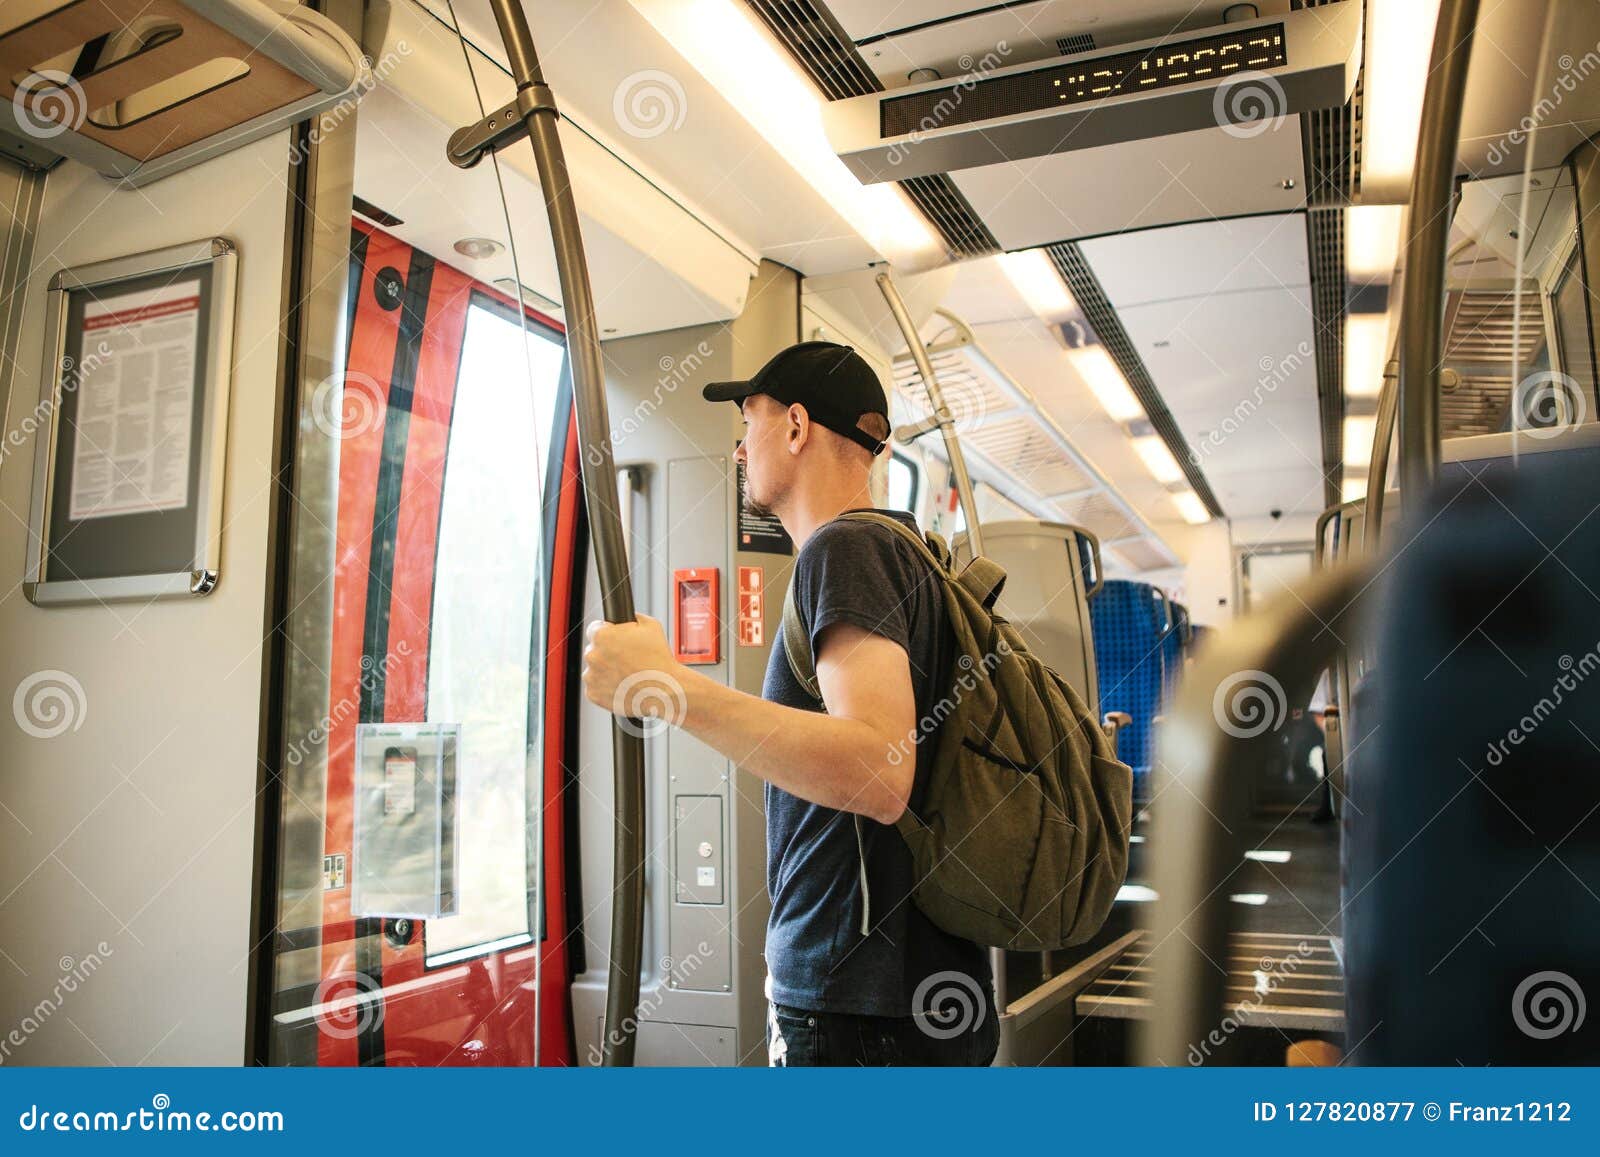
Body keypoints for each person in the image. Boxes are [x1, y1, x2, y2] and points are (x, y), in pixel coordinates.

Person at [582, 340, 997, 1066]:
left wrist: (665, 685)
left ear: (797, 426)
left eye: (751, 422)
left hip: (861, 1008)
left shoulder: (846, 551)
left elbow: (878, 770)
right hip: (904, 991)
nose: (740, 449)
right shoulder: (907, 552)